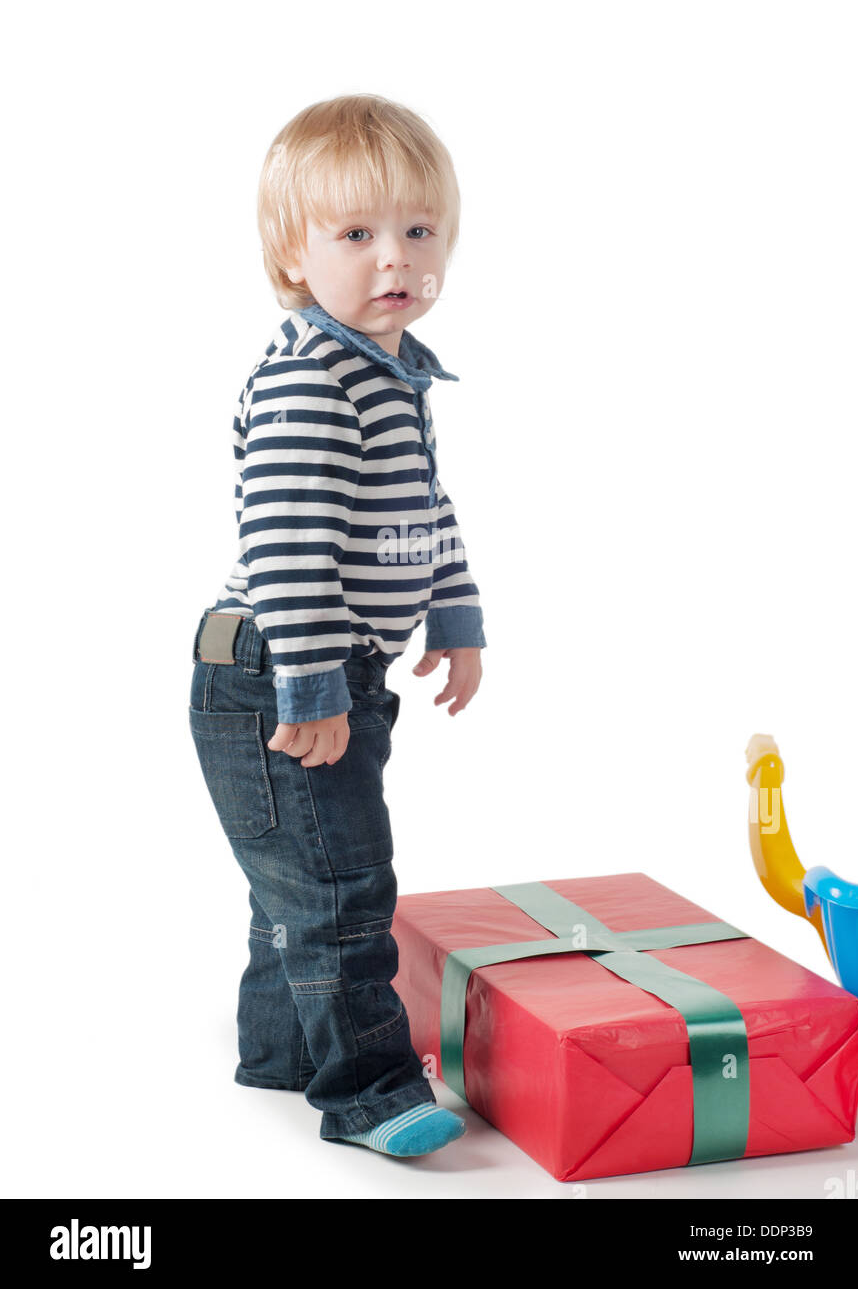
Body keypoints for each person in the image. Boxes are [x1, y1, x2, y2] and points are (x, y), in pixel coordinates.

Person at [188, 94, 487, 1159]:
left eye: (417, 231)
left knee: (297, 882)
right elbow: (286, 548)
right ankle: (364, 1091)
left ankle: (280, 1049)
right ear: (292, 253)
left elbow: (426, 515)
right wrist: (309, 689)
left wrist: (454, 615)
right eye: (356, 235)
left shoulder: (393, 375)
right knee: (343, 887)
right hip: (277, 668)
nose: (392, 258)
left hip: (336, 669)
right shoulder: (314, 379)